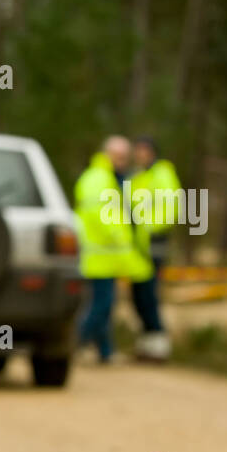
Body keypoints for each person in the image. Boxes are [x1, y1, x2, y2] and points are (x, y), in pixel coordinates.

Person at [74, 136, 151, 363]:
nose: (123, 161)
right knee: (102, 304)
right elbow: (101, 215)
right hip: (99, 253)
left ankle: (106, 352)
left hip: (106, 255)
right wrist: (119, 237)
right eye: (119, 156)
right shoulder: (98, 178)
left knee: (105, 306)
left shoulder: (107, 177)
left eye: (125, 157)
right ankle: (76, 342)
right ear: (108, 154)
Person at [128, 136, 181, 361]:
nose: (139, 154)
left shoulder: (162, 174)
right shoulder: (139, 176)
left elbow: (171, 208)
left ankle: (158, 341)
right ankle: (147, 341)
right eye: (137, 150)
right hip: (136, 246)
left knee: (148, 293)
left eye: (142, 150)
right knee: (137, 294)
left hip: (153, 243)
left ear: (151, 152)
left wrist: (149, 228)